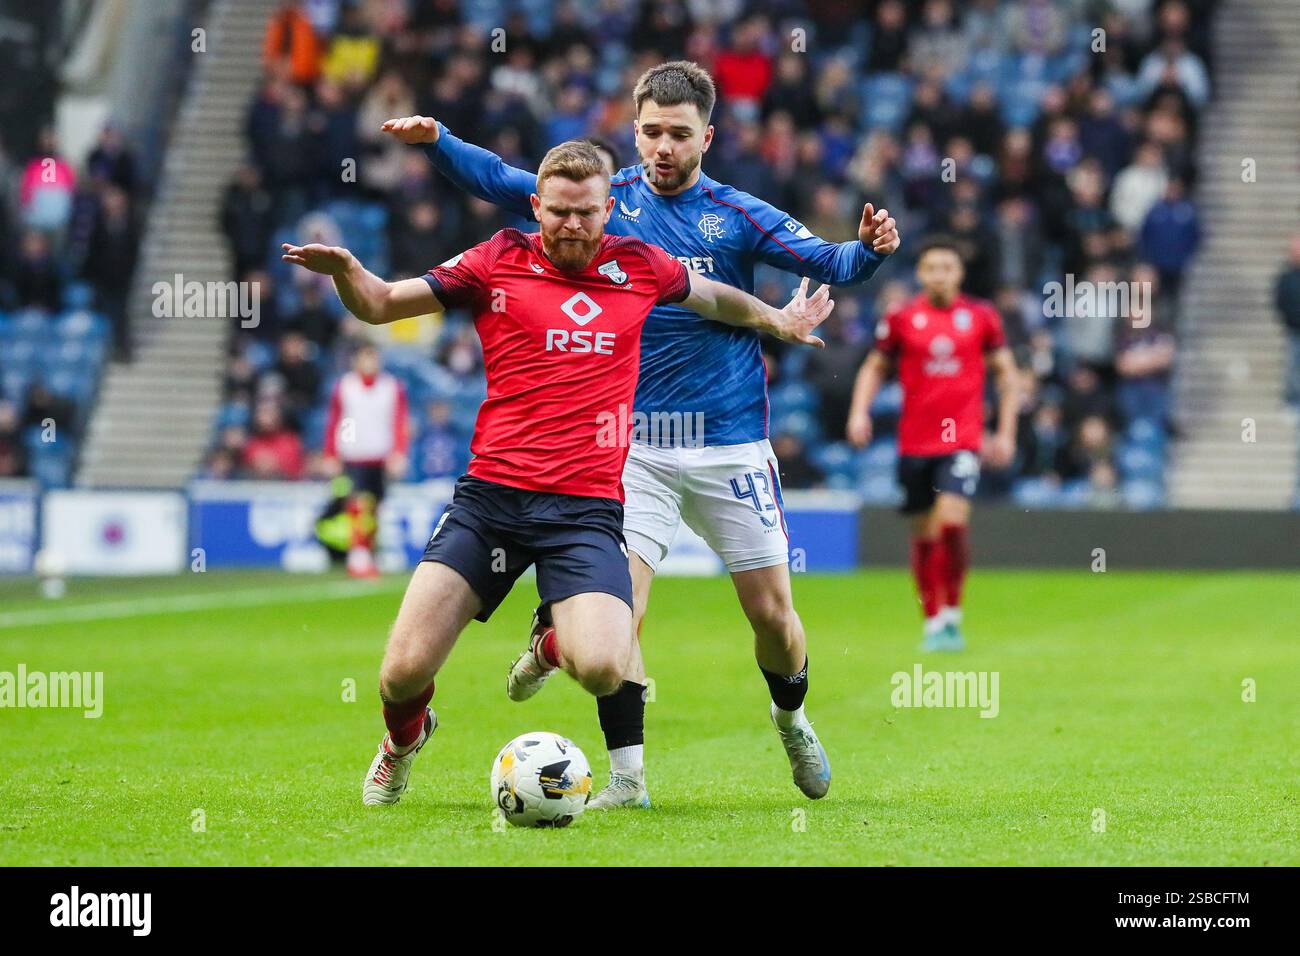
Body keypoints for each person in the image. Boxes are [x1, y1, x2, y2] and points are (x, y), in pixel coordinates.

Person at [379, 60, 899, 808]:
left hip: (727, 442)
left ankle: (790, 718)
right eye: (651, 130)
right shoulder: (599, 201)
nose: (662, 145)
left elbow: (826, 261)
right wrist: (438, 141)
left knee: (773, 618)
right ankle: (627, 779)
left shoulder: (737, 214)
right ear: (634, 130)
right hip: (633, 447)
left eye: (679, 134)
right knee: (624, 620)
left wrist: (872, 250)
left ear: (707, 137)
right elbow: (500, 178)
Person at [280, 140, 833, 806]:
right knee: (401, 673)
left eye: (587, 213)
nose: (572, 226)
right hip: (490, 503)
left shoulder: (641, 266)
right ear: (538, 205)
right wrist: (345, 271)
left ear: (609, 211)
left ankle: (551, 642)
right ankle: (404, 741)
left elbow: (716, 300)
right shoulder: (496, 260)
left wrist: (778, 318)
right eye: (560, 212)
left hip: (584, 512)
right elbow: (380, 304)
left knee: (602, 666)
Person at [847, 237, 1019, 651]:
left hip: (961, 439)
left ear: (959, 273)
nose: (940, 274)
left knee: (953, 521)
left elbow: (1007, 374)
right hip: (915, 443)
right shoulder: (902, 318)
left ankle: (954, 614)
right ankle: (933, 620)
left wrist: (1006, 432)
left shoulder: (981, 317)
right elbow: (874, 367)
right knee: (924, 531)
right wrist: (859, 411)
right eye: (932, 267)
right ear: (920, 273)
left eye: (948, 267)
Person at [320, 343, 409, 577]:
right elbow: (335, 420)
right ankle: (358, 555)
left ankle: (368, 551)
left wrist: (399, 451)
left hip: (379, 455)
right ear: (356, 361)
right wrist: (331, 453)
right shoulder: (346, 386)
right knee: (358, 505)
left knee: (375, 508)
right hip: (353, 454)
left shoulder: (391, 387)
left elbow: (399, 421)